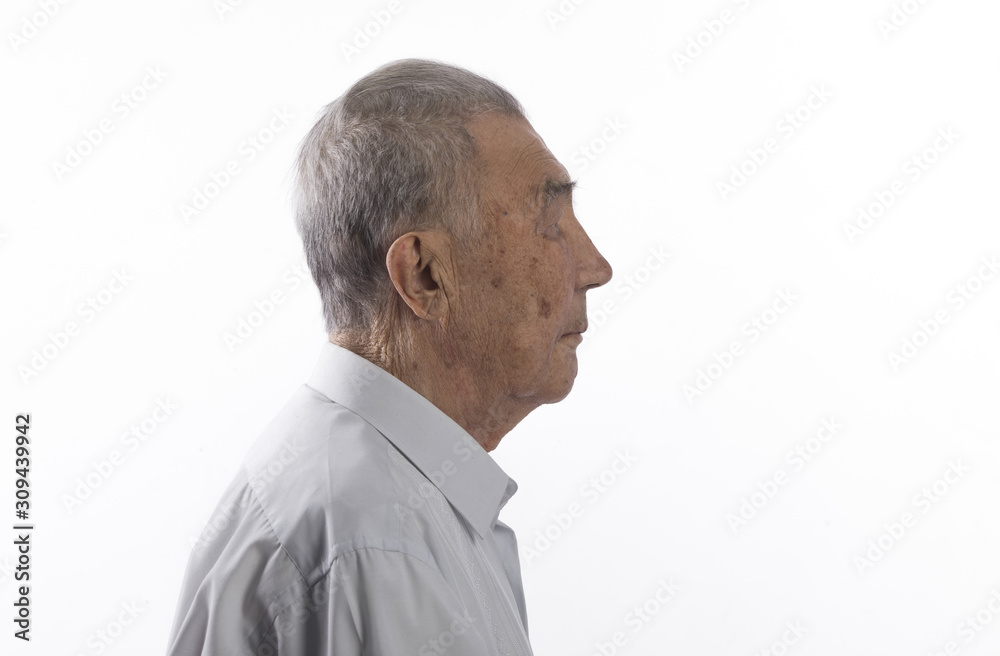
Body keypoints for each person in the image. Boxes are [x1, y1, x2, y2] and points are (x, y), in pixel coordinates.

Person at [165, 58, 613, 656]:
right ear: (423, 275)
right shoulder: (378, 540)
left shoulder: (383, 502)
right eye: (550, 223)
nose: (596, 268)